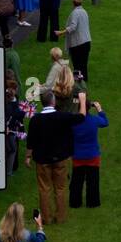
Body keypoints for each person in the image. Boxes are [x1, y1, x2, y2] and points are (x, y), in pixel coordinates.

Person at [25, 86, 87, 225]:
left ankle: (46, 218)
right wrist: (82, 101)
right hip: (60, 157)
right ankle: (60, 218)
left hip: (42, 159)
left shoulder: (36, 119)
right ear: (53, 102)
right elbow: (81, 117)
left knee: (44, 188)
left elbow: (31, 141)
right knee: (60, 188)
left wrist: (28, 157)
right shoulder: (62, 117)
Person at [70, 98, 108, 209]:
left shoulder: (74, 122)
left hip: (78, 155)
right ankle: (93, 202)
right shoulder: (94, 120)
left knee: (77, 181)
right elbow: (105, 122)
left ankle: (75, 202)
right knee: (93, 180)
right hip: (92, 155)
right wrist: (99, 109)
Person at [56, 0, 92, 83]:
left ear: (73, 3)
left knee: (77, 64)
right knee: (83, 63)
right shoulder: (84, 12)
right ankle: (84, 80)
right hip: (87, 41)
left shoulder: (75, 13)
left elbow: (73, 26)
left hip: (78, 43)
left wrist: (61, 32)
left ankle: (78, 83)